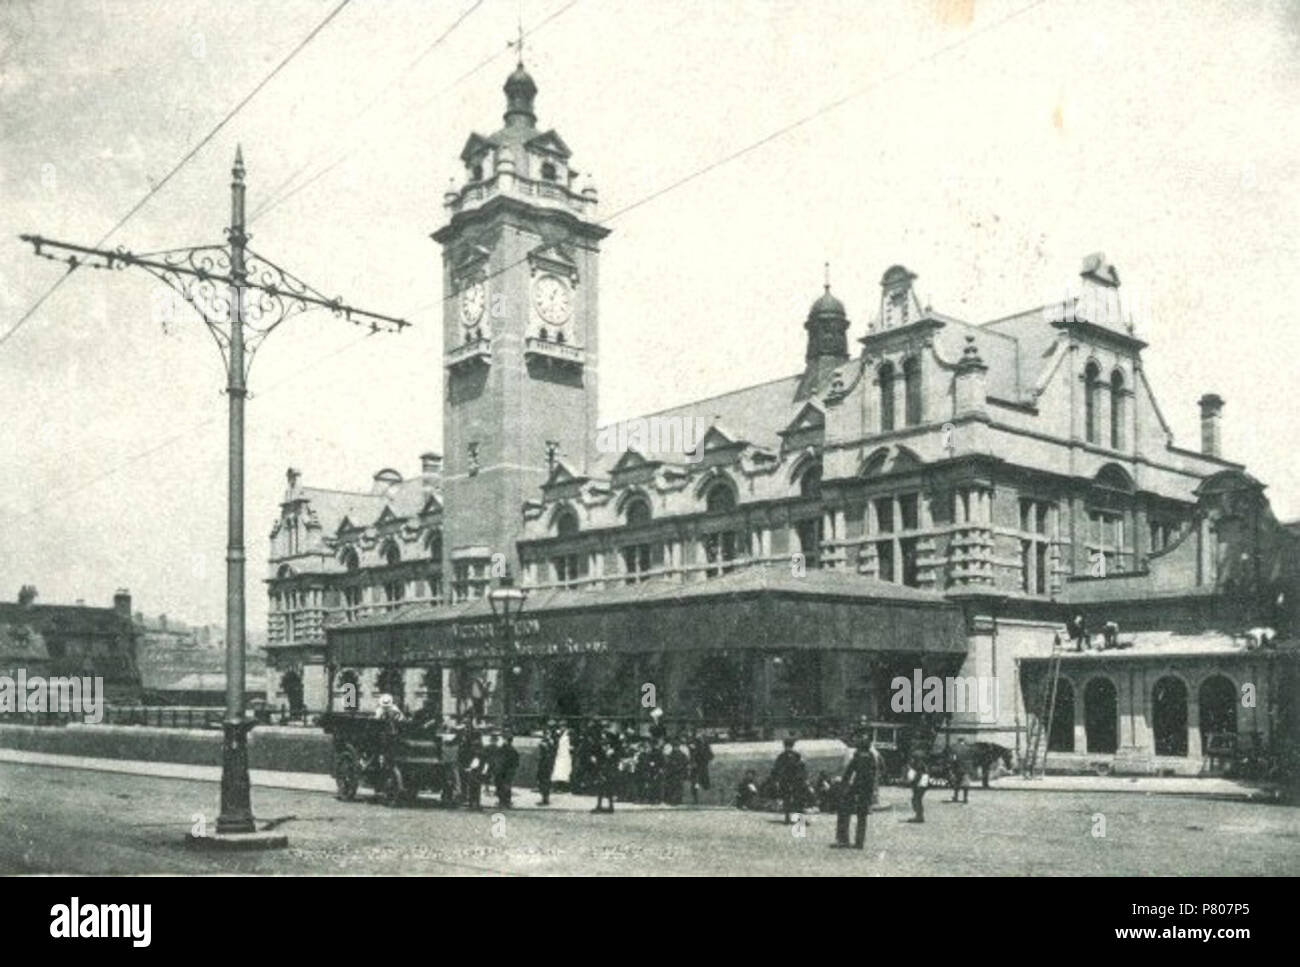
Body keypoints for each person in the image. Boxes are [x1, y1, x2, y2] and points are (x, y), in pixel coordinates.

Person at [836, 740, 877, 849]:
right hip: (867, 790)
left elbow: (849, 773)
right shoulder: (872, 758)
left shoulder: (857, 757)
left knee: (844, 812)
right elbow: (874, 775)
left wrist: (843, 786)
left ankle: (843, 839)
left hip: (856, 788)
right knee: (862, 817)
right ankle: (859, 842)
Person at [770, 737, 807, 825]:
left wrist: (776, 780)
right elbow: (802, 768)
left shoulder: (781, 756)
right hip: (795, 780)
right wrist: (803, 778)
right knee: (798, 799)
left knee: (787, 799)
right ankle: (799, 819)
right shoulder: (797, 755)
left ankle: (787, 819)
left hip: (786, 780)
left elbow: (776, 769)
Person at [688, 728, 713, 805]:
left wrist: (707, 758)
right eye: (698, 733)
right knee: (695, 782)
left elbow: (710, 754)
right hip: (696, 765)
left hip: (703, 765)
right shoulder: (692, 742)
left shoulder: (705, 742)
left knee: (704, 782)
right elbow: (692, 753)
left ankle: (702, 797)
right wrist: (693, 762)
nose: (699, 734)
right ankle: (695, 798)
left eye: (700, 732)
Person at [494, 731, 519, 808]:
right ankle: (505, 801)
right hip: (506, 770)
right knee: (505, 785)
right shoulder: (512, 750)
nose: (502, 740)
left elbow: (499, 760)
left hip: (504, 770)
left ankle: (503, 801)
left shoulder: (505, 749)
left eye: (504, 739)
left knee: (503, 786)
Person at [536, 720, 558, 806]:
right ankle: (544, 797)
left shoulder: (553, 738)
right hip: (544, 761)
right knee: (542, 779)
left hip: (547, 761)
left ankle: (545, 798)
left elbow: (552, 749)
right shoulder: (548, 737)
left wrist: (546, 743)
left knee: (545, 779)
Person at [664, 741, 690, 806]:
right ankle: (673, 800)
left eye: (676, 746)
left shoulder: (681, 755)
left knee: (678, 787)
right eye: (674, 747)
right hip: (673, 773)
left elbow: (685, 764)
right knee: (673, 786)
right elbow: (667, 764)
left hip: (678, 773)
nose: (675, 748)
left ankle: (677, 800)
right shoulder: (671, 755)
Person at [907, 751, 929, 823]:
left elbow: (918, 776)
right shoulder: (922, 764)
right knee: (917, 799)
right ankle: (919, 815)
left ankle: (919, 816)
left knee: (916, 800)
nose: (911, 759)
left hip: (920, 784)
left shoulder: (918, 765)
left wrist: (913, 782)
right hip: (923, 784)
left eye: (913, 758)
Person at [949, 738, 972, 803]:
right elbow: (971, 759)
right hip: (966, 768)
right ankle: (965, 798)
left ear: (958, 741)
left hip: (958, 767)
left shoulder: (954, 748)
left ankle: (956, 797)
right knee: (966, 783)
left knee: (957, 783)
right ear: (964, 741)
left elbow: (953, 759)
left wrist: (952, 767)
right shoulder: (968, 748)